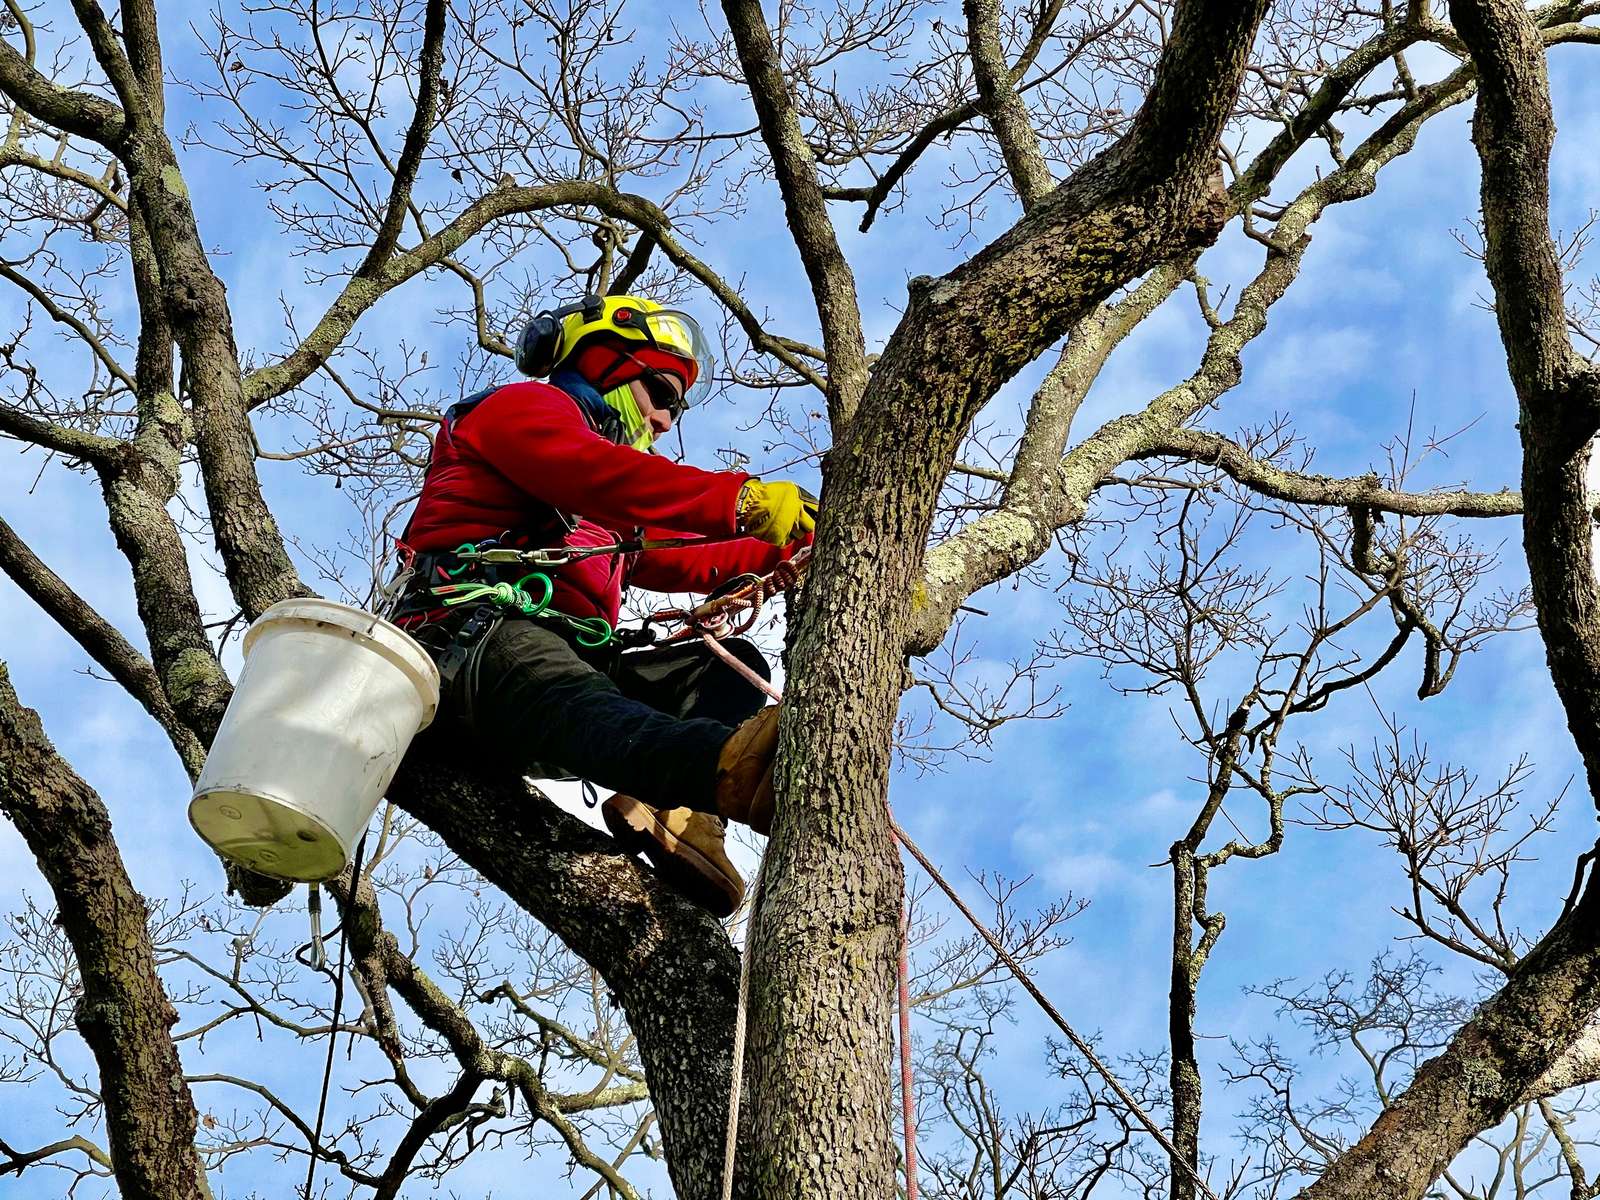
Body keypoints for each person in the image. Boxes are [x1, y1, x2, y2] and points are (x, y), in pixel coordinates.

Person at [393, 293, 814, 917]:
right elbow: (594, 471)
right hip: (469, 642)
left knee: (720, 666)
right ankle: (725, 773)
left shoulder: (603, 511)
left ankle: (675, 810)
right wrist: (742, 498)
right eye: (662, 393)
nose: (668, 421)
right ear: (604, 364)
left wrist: (782, 545)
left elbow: (676, 554)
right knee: (567, 687)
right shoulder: (519, 409)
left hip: (555, 659)